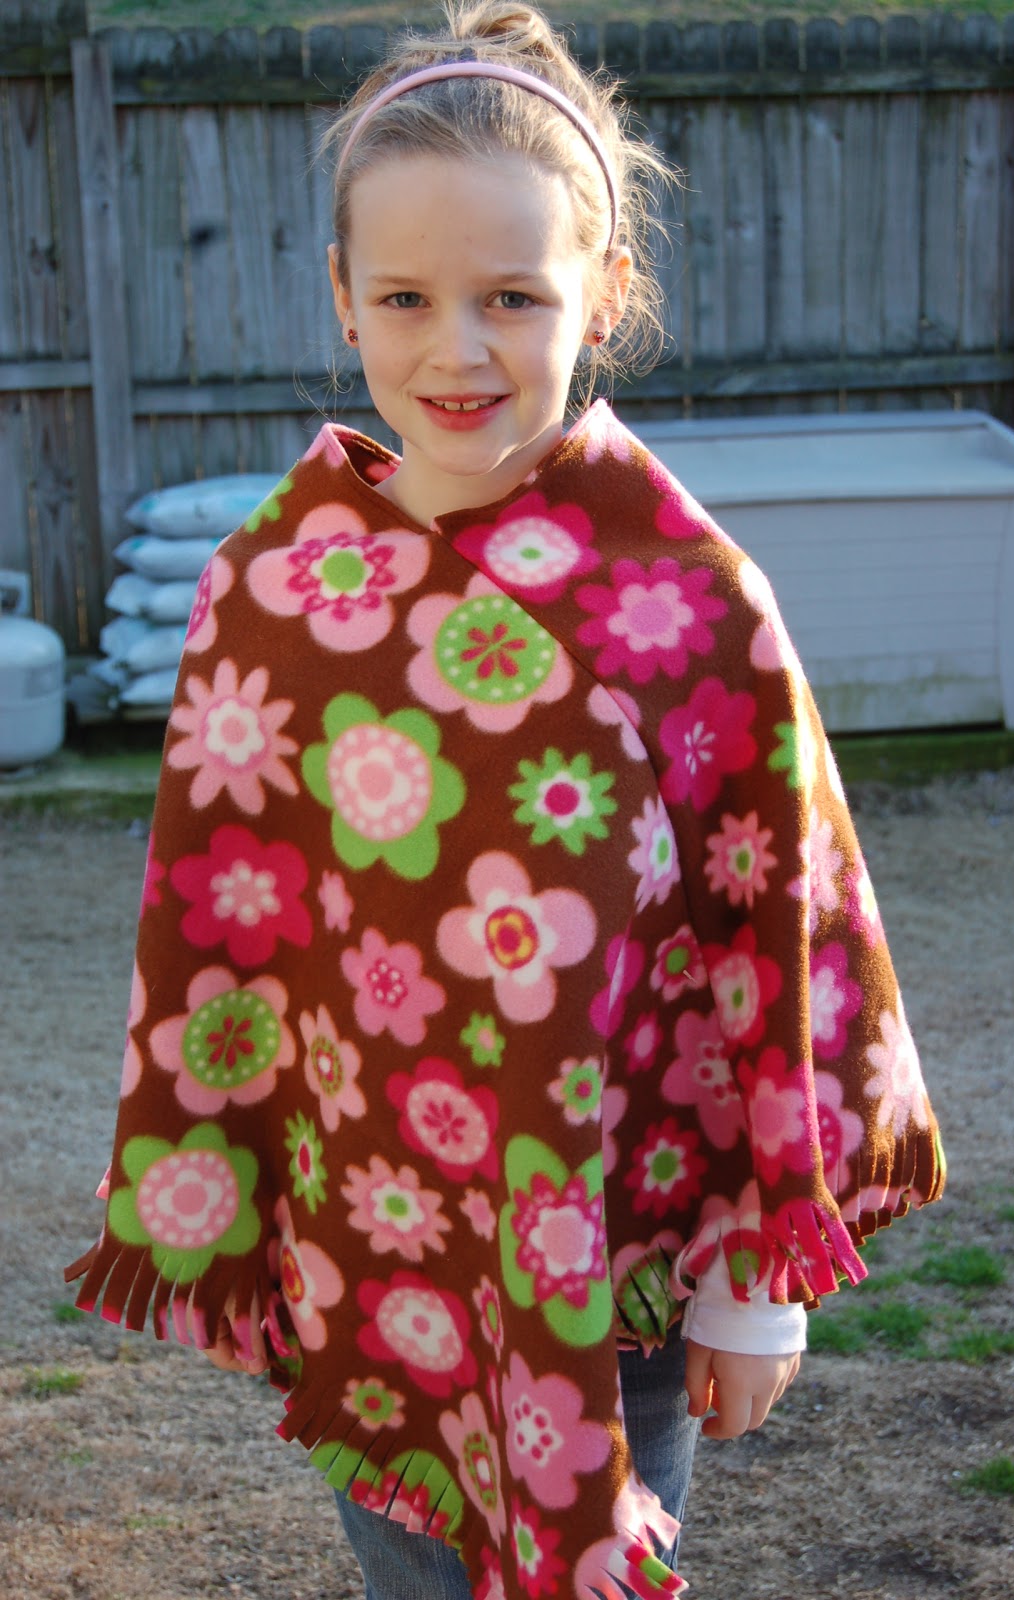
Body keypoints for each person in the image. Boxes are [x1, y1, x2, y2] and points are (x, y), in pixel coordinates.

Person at [67, 5, 946, 1597]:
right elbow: (224, 918)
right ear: (342, 297)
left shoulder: (687, 601)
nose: (455, 350)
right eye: (405, 297)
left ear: (603, 296)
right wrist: (241, 1202)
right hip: (375, 1253)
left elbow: (785, 918)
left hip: (624, 1258)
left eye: (512, 298)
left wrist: (760, 1282)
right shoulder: (273, 592)